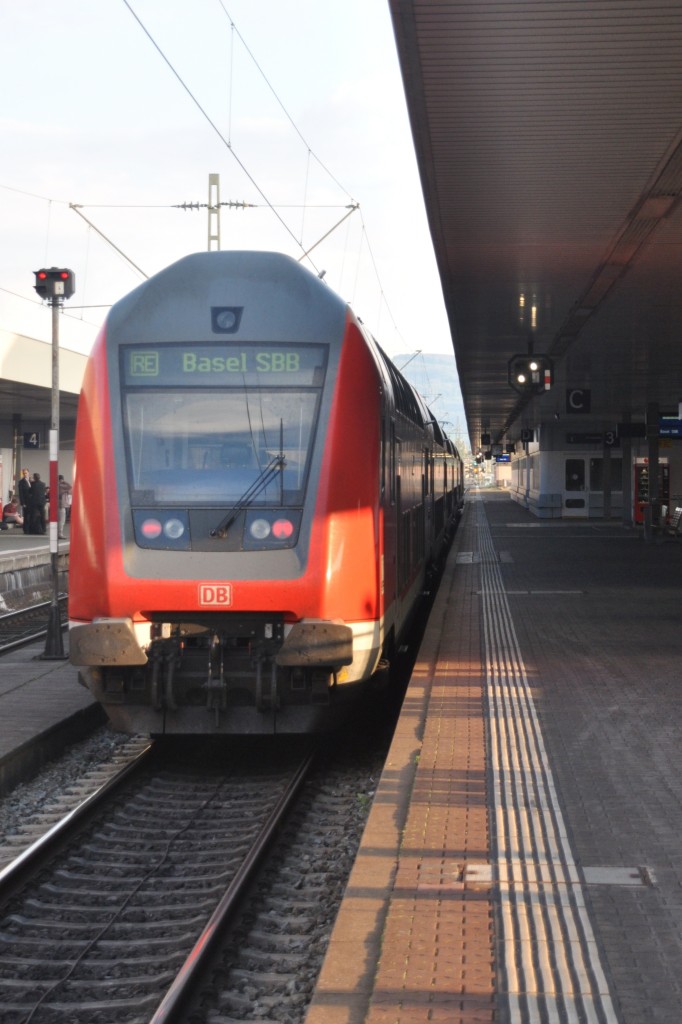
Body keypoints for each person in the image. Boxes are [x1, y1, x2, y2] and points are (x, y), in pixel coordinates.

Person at [57, 474, 72, 539]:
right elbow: (70, 486)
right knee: (62, 520)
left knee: (59, 520)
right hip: (61, 505)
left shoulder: (56, 485)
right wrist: (64, 481)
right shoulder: (61, 485)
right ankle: (60, 534)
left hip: (58, 504)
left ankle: (58, 533)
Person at [17, 468, 31, 535]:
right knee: (26, 516)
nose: (25, 474)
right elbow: (21, 493)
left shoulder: (31, 481)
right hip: (25, 501)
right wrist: (23, 503)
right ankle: (26, 530)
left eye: (26, 473)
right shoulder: (21, 482)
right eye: (24, 473)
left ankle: (30, 528)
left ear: (28, 473)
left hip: (32, 501)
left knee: (31, 515)